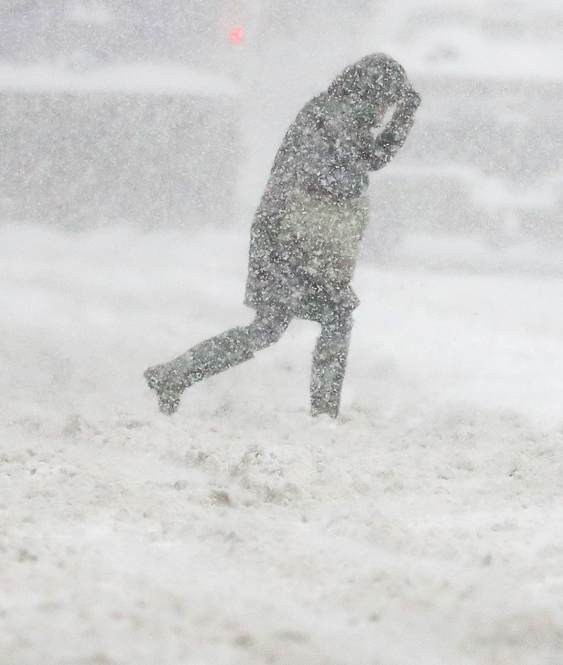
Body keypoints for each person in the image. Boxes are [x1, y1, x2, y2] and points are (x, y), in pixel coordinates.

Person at [145, 54, 420, 418]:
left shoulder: (338, 115)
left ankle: (175, 375)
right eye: (388, 102)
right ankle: (322, 414)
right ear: (373, 93)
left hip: (298, 238)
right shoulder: (332, 118)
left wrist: (403, 120)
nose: (387, 111)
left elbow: (369, 159)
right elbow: (350, 171)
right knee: (299, 321)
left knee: (290, 324)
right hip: (290, 241)